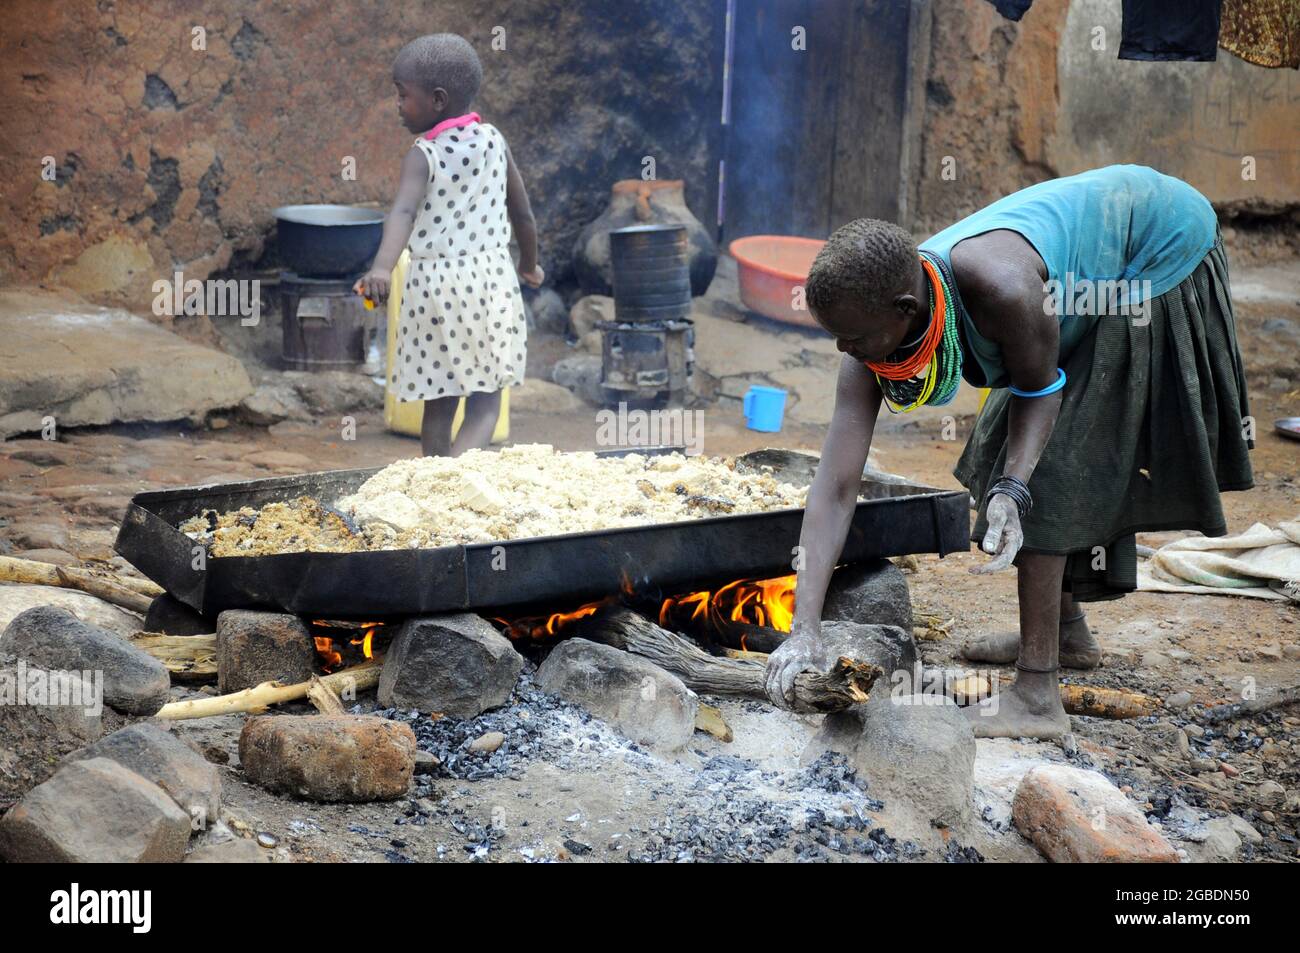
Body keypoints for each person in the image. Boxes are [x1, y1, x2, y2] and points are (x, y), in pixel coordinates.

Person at [764, 165, 1253, 739]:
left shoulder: (1002, 289)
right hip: (1073, 279)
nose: (847, 352)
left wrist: (1014, 490)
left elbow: (1041, 391)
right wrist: (805, 629)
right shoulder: (873, 323)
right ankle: (1065, 631)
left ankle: (1038, 694)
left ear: (904, 309)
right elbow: (837, 484)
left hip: (1154, 250)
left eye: (855, 339)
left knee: (1044, 481)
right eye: (837, 339)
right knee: (1010, 456)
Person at [355, 33, 543, 457]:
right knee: (485, 401)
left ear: (437, 100)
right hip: (490, 285)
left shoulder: (423, 155)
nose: (398, 105)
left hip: (434, 289)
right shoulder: (495, 141)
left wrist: (383, 268)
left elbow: (401, 213)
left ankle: (436, 478)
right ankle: (457, 480)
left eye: (403, 96)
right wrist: (529, 266)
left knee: (439, 402)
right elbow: (524, 215)